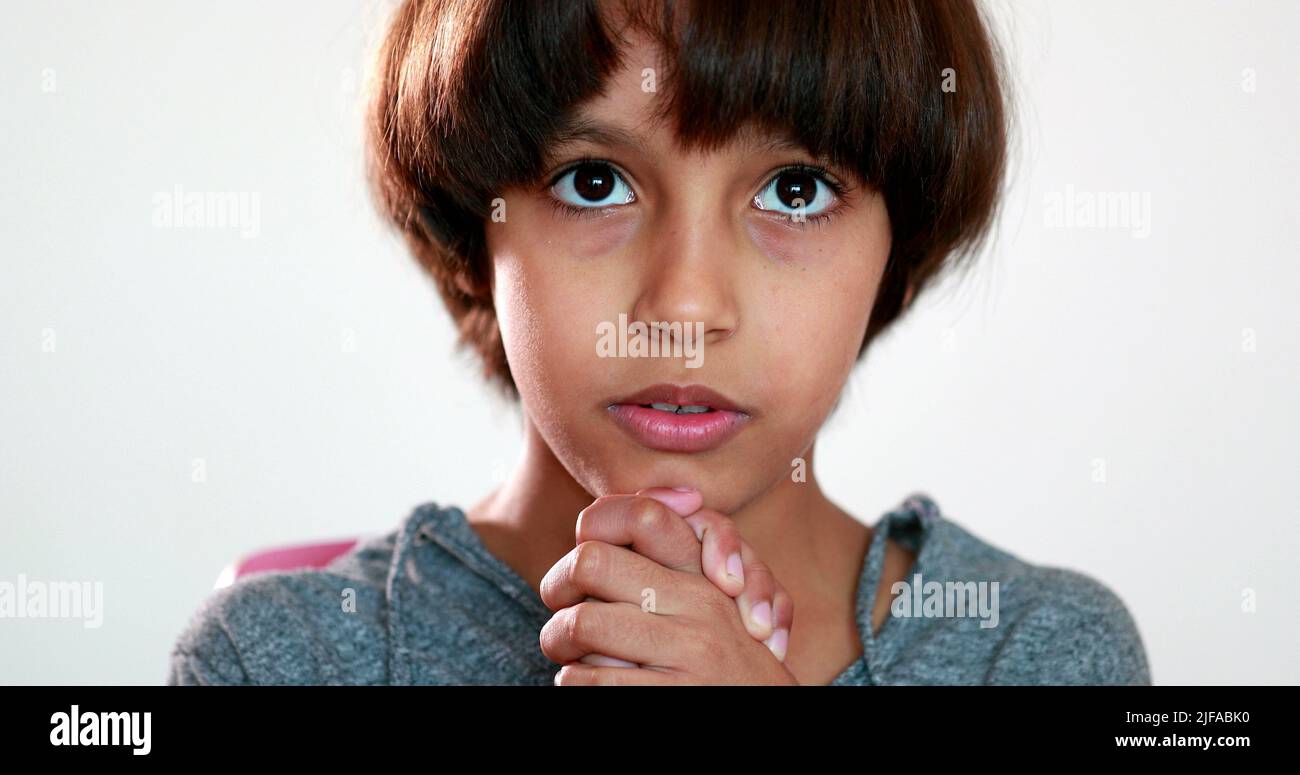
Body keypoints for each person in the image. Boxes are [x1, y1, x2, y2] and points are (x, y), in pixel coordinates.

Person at [167, 0, 1151, 686]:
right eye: (593, 181)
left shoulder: (1038, 651)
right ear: (477, 228)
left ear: (897, 248)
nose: (686, 302)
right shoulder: (284, 657)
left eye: (794, 190)